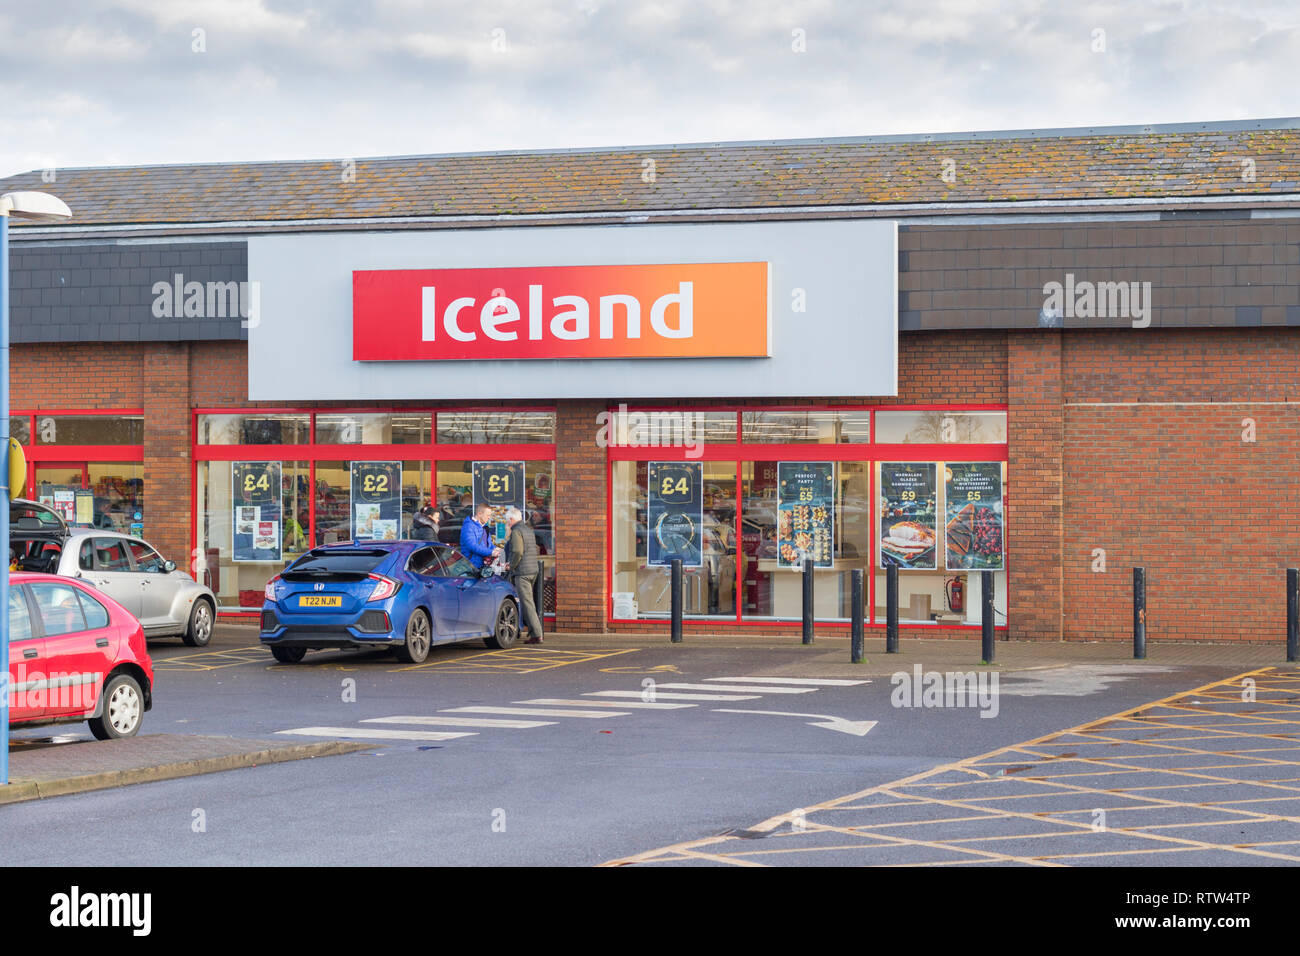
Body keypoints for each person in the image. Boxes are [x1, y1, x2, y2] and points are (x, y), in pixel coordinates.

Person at [505, 506, 544, 644]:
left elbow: (517, 551)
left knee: (527, 604)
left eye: (507, 522)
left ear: (511, 519)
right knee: (529, 602)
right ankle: (533, 631)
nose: (507, 524)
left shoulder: (516, 531)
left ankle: (536, 634)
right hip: (532, 570)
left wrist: (511, 565)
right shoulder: (527, 529)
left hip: (522, 572)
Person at [460, 503, 502, 570]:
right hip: (471, 567)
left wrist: (495, 549)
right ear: (479, 514)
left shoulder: (485, 527)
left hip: (483, 567)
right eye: (488, 515)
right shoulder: (468, 526)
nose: (489, 517)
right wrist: (491, 552)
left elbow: (489, 545)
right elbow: (472, 546)